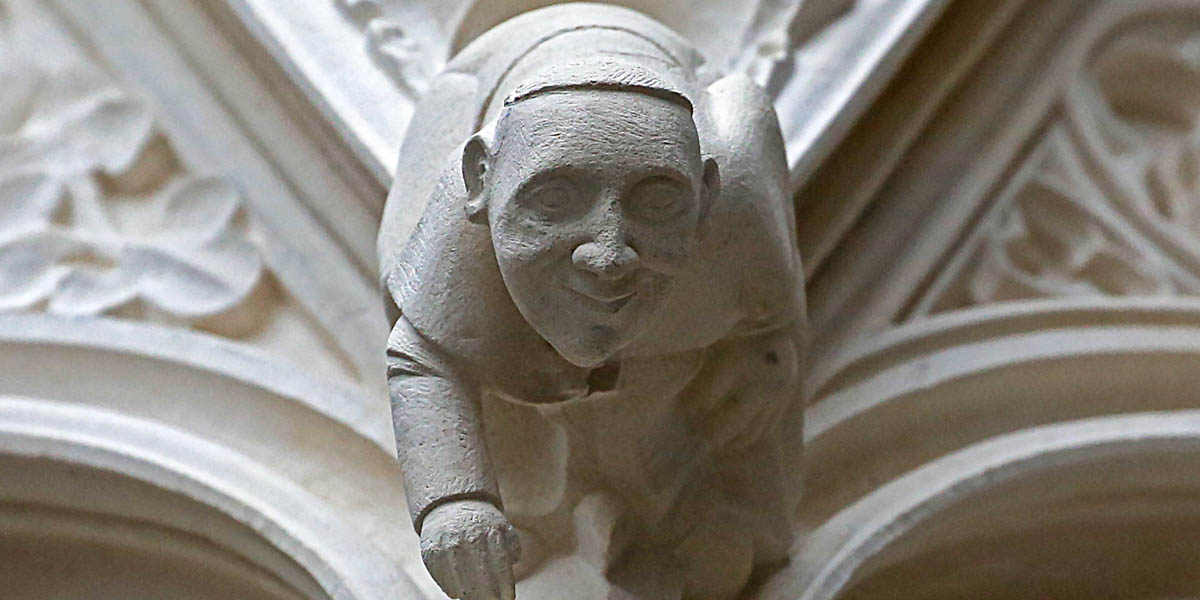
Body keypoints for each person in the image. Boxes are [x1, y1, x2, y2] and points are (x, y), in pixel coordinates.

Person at [379, 6, 806, 599]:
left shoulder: (740, 207)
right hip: (484, 75)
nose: (608, 256)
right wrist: (455, 502)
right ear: (481, 181)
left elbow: (775, 313)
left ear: (706, 195)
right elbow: (422, 355)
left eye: (657, 203)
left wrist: (766, 356)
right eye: (554, 201)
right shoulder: (459, 214)